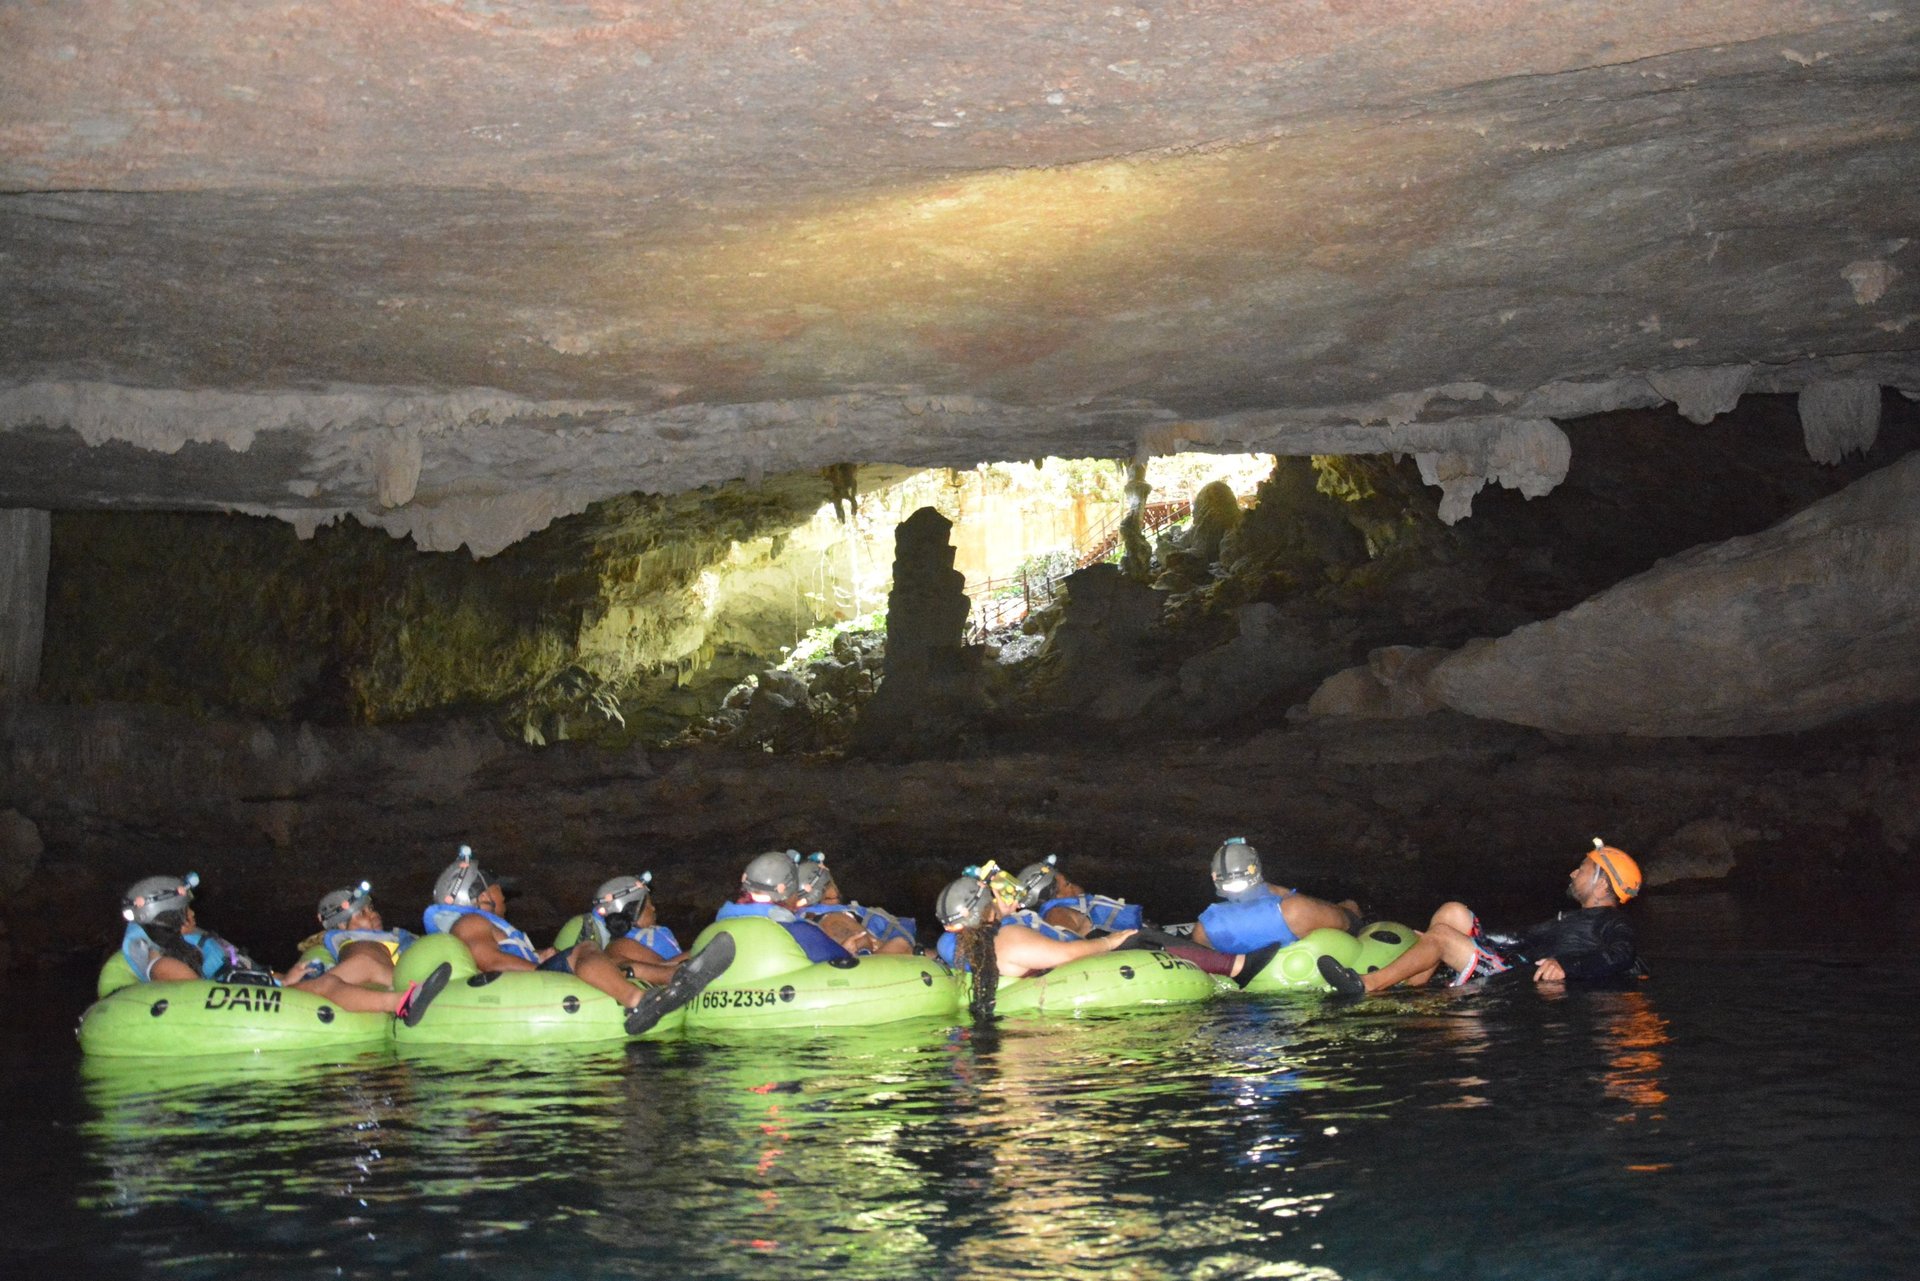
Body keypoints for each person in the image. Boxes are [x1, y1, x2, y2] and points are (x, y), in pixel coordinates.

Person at [425, 845, 733, 1035]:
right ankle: (637, 1001)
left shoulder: (482, 925)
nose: (503, 894)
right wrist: (544, 969)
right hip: (519, 985)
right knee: (583, 949)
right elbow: (489, 960)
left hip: (525, 982)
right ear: (480, 897)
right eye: (497, 889)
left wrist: (538, 955)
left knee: (583, 955)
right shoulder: (471, 922)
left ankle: (676, 977)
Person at [1318, 839, 1646, 996]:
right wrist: (1468, 939)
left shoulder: (1613, 922)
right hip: (1510, 959)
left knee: (1442, 937)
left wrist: (1566, 966)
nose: (1573, 872)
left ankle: (1368, 985)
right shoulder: (1569, 919)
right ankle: (1412, 983)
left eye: (1583, 868)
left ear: (1602, 884)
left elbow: (1622, 954)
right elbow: (1519, 938)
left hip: (1512, 976)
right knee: (1452, 913)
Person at [118, 872, 449, 1025]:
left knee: (342, 974)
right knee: (327, 984)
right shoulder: (160, 959)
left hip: (254, 990)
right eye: (185, 910)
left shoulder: (186, 945)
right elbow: (196, 998)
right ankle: (399, 1003)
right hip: (242, 1004)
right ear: (166, 917)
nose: (193, 914)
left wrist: (283, 979)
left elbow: (237, 971)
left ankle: (411, 991)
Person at [934, 869, 1137, 1020]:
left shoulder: (947, 945)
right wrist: (1109, 941)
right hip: (1034, 1025)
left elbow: (979, 929)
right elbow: (1068, 954)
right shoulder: (1011, 939)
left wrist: (1001, 913)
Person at [1191, 838, 1364, 953]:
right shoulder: (1294, 910)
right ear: (1256, 868)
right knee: (1350, 906)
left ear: (1215, 878)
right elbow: (1348, 924)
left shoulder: (1203, 928)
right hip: (1300, 964)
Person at [714, 850, 856, 963]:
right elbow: (843, 962)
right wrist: (846, 950)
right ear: (789, 891)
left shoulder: (717, 929)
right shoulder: (801, 933)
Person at [299, 880, 416, 991]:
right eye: (362, 913)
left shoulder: (393, 939)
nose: (374, 914)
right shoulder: (355, 945)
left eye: (371, 909)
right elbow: (366, 967)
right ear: (342, 925)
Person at [794, 854, 917, 955]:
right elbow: (860, 941)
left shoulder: (811, 917)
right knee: (901, 943)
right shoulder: (832, 918)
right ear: (827, 889)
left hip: (888, 946)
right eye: (831, 883)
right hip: (877, 962)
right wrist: (869, 948)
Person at [583, 872, 687, 986]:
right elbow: (664, 969)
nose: (653, 908)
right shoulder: (621, 945)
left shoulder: (640, 936)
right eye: (648, 905)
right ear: (633, 912)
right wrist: (699, 950)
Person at [1014, 854, 1144, 935]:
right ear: (1057, 896)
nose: (1073, 885)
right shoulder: (1057, 913)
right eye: (1067, 883)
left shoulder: (1075, 908)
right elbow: (1064, 947)